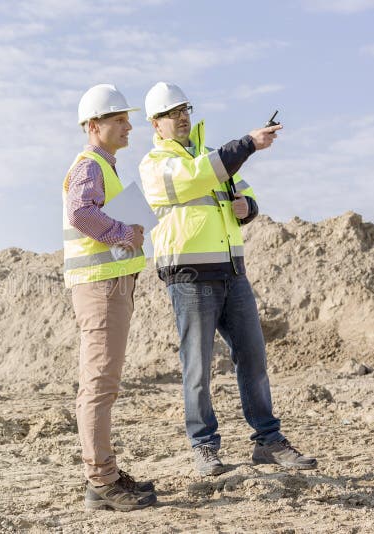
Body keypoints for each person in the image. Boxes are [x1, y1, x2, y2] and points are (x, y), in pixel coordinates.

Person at [138, 82, 318, 476]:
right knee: (198, 368)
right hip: (189, 276)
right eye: (173, 112)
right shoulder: (157, 165)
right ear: (156, 123)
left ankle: (268, 441)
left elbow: (246, 194)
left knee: (253, 359)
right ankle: (204, 446)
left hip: (232, 271)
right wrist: (248, 143)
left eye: (185, 108)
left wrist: (246, 207)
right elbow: (197, 177)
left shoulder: (210, 157)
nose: (182, 116)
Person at [63, 84, 156, 510]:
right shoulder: (91, 165)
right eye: (119, 120)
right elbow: (81, 213)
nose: (128, 126)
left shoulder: (103, 166)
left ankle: (106, 474)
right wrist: (124, 233)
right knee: (99, 385)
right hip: (100, 287)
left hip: (110, 284)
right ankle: (101, 481)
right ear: (94, 125)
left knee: (103, 384)